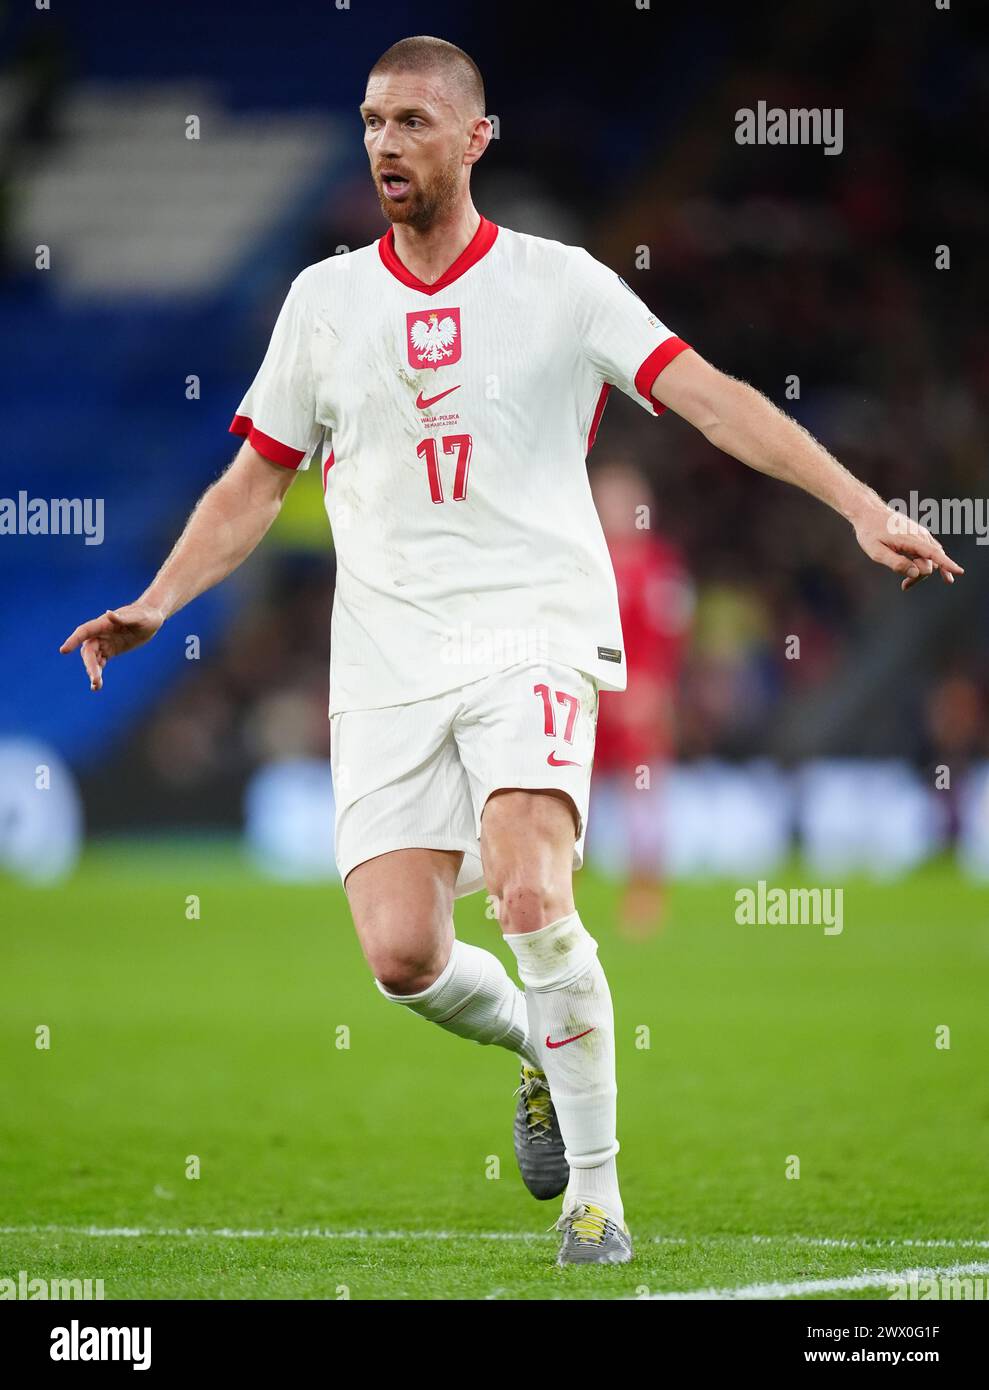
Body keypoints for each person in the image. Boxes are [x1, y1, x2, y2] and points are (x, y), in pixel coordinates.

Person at [60, 35, 962, 1266]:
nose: (386, 142)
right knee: (401, 954)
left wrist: (856, 502)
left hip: (528, 628)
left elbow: (707, 394)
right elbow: (254, 481)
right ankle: (540, 1044)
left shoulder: (561, 285)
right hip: (383, 657)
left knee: (532, 890)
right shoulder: (324, 304)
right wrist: (160, 601)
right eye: (373, 121)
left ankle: (596, 1196)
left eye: (414, 122)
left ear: (474, 139)